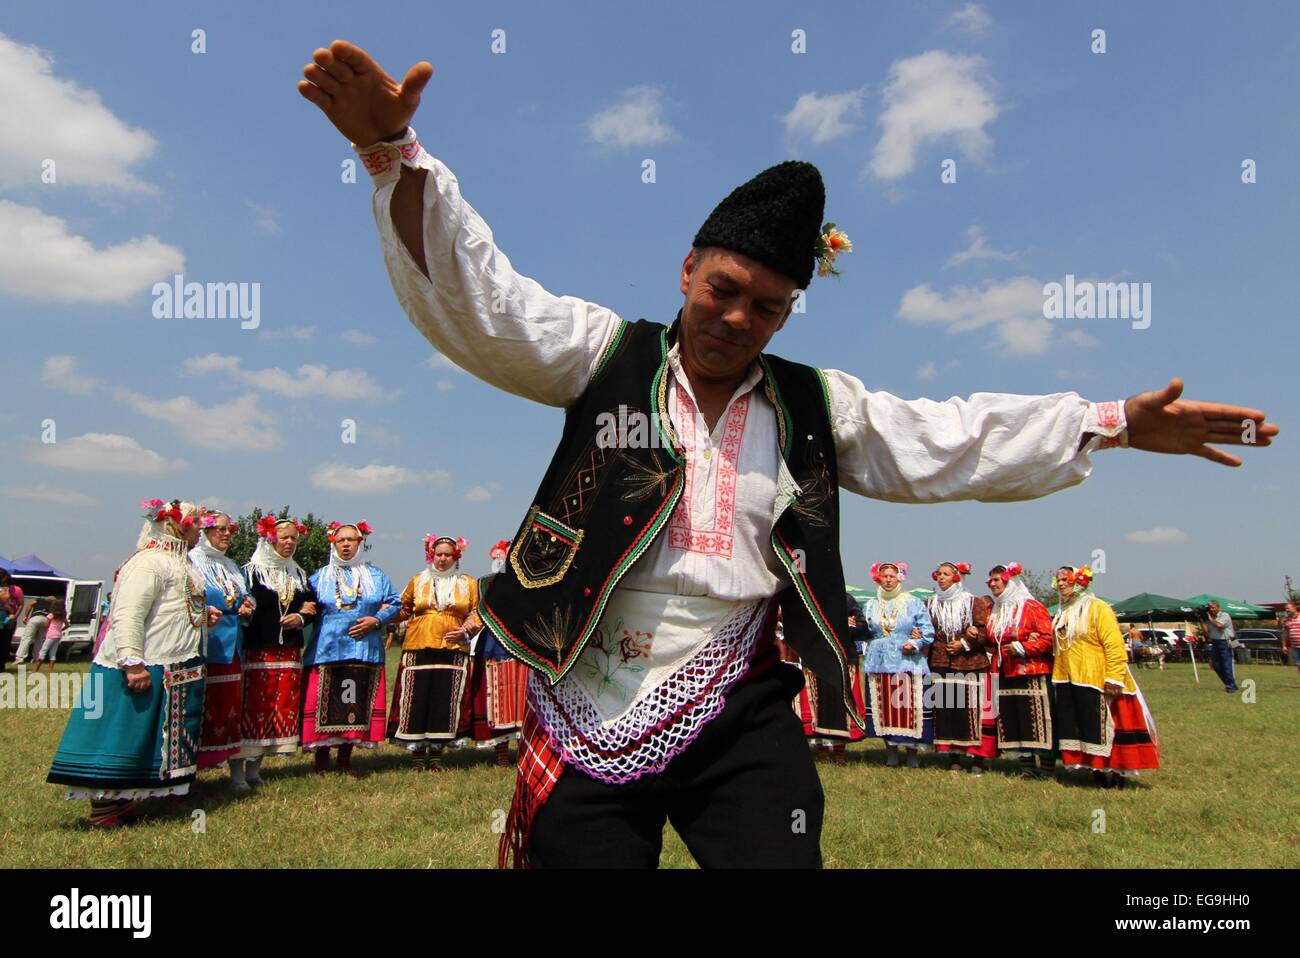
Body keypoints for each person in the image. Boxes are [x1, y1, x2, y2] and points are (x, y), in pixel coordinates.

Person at [297, 39, 1276, 867]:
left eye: (766, 306)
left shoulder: (811, 402)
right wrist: (392, 149)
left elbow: (946, 438)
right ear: (686, 269)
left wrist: (1107, 420)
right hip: (584, 684)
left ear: (790, 310)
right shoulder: (603, 352)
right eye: (722, 288)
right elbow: (486, 306)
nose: (736, 318)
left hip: (735, 698)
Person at [47, 499, 219, 826]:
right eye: (197, 523)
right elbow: (127, 614)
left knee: (144, 737)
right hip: (143, 664)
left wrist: (202, 616)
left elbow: (171, 610)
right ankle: (103, 806)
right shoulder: (148, 563)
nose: (202, 529)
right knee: (120, 734)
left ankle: (126, 800)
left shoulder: (181, 564)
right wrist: (132, 662)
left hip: (171, 664)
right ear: (175, 525)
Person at [303, 521, 399, 776]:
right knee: (324, 701)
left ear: (360, 543)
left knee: (353, 705)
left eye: (351, 540)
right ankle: (321, 759)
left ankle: (345, 758)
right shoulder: (318, 577)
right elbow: (305, 605)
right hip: (327, 648)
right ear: (333, 544)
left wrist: (376, 620)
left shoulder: (376, 576)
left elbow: (395, 603)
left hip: (362, 650)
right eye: (340, 541)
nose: (345, 545)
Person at [1051, 566, 1160, 788]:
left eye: (1066, 579)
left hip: (1099, 678)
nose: (1061, 584)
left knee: (1111, 726)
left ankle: (1117, 772)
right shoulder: (1063, 612)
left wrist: (1114, 677)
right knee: (1086, 725)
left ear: (1080, 582)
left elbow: (1113, 644)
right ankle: (1097, 770)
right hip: (1071, 677)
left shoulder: (1098, 608)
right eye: (1058, 580)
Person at [388, 534, 481, 770]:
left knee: (445, 698)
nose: (442, 559)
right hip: (419, 643)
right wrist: (379, 615)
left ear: (456, 557)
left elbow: (477, 613)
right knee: (417, 697)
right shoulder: (418, 580)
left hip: (453, 646)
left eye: (447, 555)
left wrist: (466, 630)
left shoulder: (468, 582)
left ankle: (437, 753)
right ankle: (418, 753)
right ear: (431, 555)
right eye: (438, 554)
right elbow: (403, 609)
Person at [239, 515, 318, 784]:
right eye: (284, 537)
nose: (290, 542)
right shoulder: (251, 572)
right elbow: (242, 603)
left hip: (288, 652)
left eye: (294, 538)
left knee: (276, 709)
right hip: (258, 650)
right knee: (251, 709)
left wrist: (301, 618)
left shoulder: (297, 574)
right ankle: (237, 772)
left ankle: (255, 769)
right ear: (271, 539)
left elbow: (310, 606)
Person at [190, 510, 256, 789]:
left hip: (232, 648)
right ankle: (189, 771)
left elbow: (245, 594)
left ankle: (234, 771)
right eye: (219, 529)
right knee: (196, 710)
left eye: (230, 529)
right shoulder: (191, 562)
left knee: (229, 711)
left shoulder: (232, 567)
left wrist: (247, 604)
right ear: (204, 532)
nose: (226, 533)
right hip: (202, 645)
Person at [986, 563, 1057, 779]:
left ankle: (1046, 767)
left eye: (996, 580)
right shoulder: (994, 610)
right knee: (1013, 718)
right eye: (989, 581)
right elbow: (990, 639)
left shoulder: (1031, 607)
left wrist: (1023, 647)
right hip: (1003, 670)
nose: (992, 584)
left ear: (1010, 582)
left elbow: (1047, 638)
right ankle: (1026, 765)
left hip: (1030, 670)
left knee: (1037, 717)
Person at [462, 539, 529, 766]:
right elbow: (475, 613)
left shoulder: (531, 582)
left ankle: (525, 750)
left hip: (524, 647)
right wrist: (468, 627)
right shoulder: (483, 584)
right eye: (503, 556)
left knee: (525, 700)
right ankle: (500, 751)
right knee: (497, 700)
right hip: (494, 647)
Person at [862, 562, 935, 768]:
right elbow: (865, 630)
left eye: (891, 576)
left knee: (910, 708)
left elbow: (928, 631)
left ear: (899, 578)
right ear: (878, 578)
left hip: (908, 662)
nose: (888, 580)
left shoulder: (913, 603)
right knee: (885, 707)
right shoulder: (870, 604)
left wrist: (916, 642)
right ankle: (891, 751)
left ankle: (912, 754)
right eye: (884, 576)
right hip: (879, 662)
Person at [927, 562, 996, 774]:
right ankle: (953, 756)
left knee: (973, 711)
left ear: (957, 577)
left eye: (946, 574)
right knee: (948, 711)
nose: (941, 578)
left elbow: (985, 632)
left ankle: (977, 759)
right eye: (939, 574)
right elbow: (927, 629)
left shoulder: (972, 602)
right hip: (941, 662)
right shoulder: (931, 603)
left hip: (970, 663)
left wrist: (964, 643)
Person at [792, 591, 868, 765]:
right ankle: (822, 750)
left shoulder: (846, 599)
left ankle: (840, 750)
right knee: (818, 704)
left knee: (839, 703)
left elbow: (862, 627)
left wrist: (848, 627)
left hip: (842, 657)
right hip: (815, 656)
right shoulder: (808, 596)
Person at [1204, 600, 1238, 692]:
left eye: (1213, 608)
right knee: (1216, 665)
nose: (1211, 610)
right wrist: (1201, 619)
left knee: (1227, 664)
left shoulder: (1224, 615)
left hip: (1225, 641)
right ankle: (1230, 683)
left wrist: (1211, 619)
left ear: (1219, 607)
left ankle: (1230, 686)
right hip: (1215, 641)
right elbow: (1206, 631)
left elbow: (1220, 625)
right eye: (1210, 608)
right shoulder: (1210, 617)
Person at [31, 599, 66, 673]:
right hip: (58, 635)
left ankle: (35, 669)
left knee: (43, 651)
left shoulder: (51, 615)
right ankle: (50, 669)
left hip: (51, 635)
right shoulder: (62, 616)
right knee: (53, 653)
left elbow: (46, 625)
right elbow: (67, 625)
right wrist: (61, 629)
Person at [0, 570, 23, 670]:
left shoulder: (16, 590)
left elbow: (21, 604)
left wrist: (14, 617)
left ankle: (1, 665)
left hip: (8, 618)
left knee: (5, 643)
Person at [15, 598, 50, 665]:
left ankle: (20, 658)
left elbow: (30, 604)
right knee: (39, 640)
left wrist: (25, 616)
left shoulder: (40, 600)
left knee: (27, 638)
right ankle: (37, 658)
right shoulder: (53, 604)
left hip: (35, 618)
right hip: (45, 619)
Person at [1283, 602, 1300, 676]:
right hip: (1295, 647)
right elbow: (1285, 633)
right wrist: (1284, 646)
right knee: (1298, 664)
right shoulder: (1287, 619)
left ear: (1294, 608)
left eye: (1288, 608)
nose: (1286, 610)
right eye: (1285, 609)